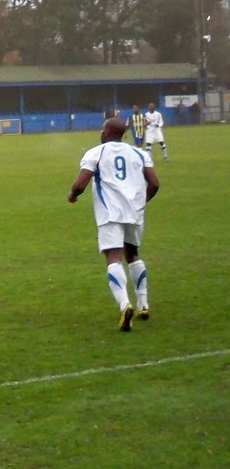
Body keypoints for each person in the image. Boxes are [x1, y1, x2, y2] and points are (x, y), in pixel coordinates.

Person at [69, 115, 159, 330]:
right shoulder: (140, 153)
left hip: (110, 214)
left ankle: (124, 305)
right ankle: (143, 304)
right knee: (133, 254)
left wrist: (73, 194)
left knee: (113, 258)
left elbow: (81, 183)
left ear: (108, 132)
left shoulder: (96, 152)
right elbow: (154, 183)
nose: (100, 132)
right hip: (134, 213)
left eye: (102, 129)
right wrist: (140, 203)